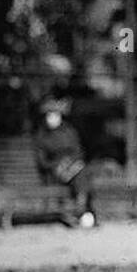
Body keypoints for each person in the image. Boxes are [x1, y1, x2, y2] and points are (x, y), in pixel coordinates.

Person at [35, 95, 96, 227]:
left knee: (81, 172)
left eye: (55, 115)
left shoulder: (69, 131)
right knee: (82, 173)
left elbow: (78, 152)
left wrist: (71, 162)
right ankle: (82, 210)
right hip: (55, 171)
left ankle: (80, 209)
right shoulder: (42, 136)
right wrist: (57, 165)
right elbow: (42, 162)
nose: (52, 118)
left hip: (74, 167)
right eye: (49, 115)